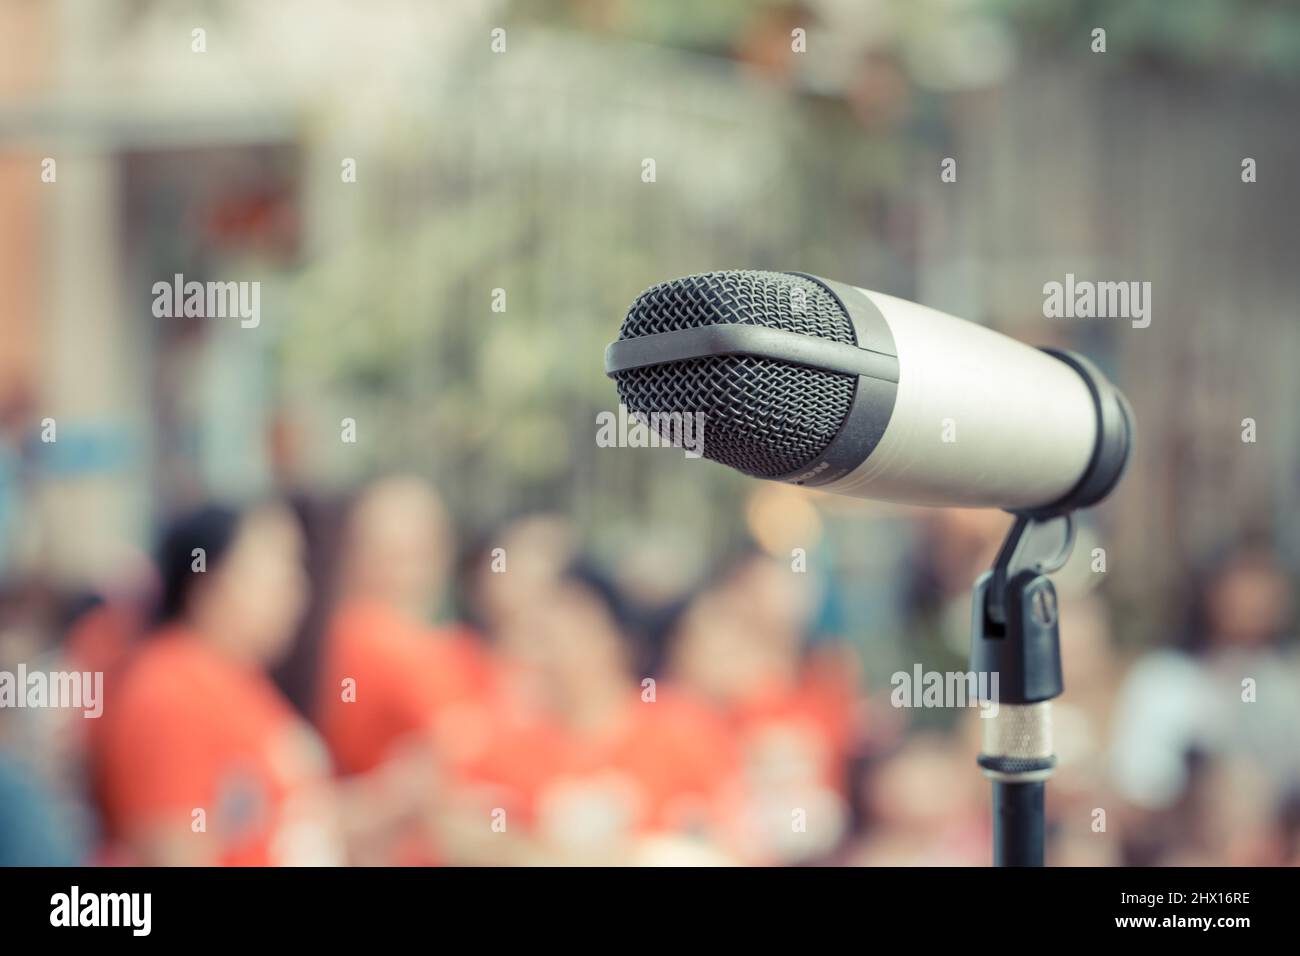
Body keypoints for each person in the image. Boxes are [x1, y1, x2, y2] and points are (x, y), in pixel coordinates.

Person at [96, 503, 344, 866]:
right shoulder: (168, 690)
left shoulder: (242, 680)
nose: (296, 592)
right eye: (277, 573)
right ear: (208, 583)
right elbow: (172, 851)